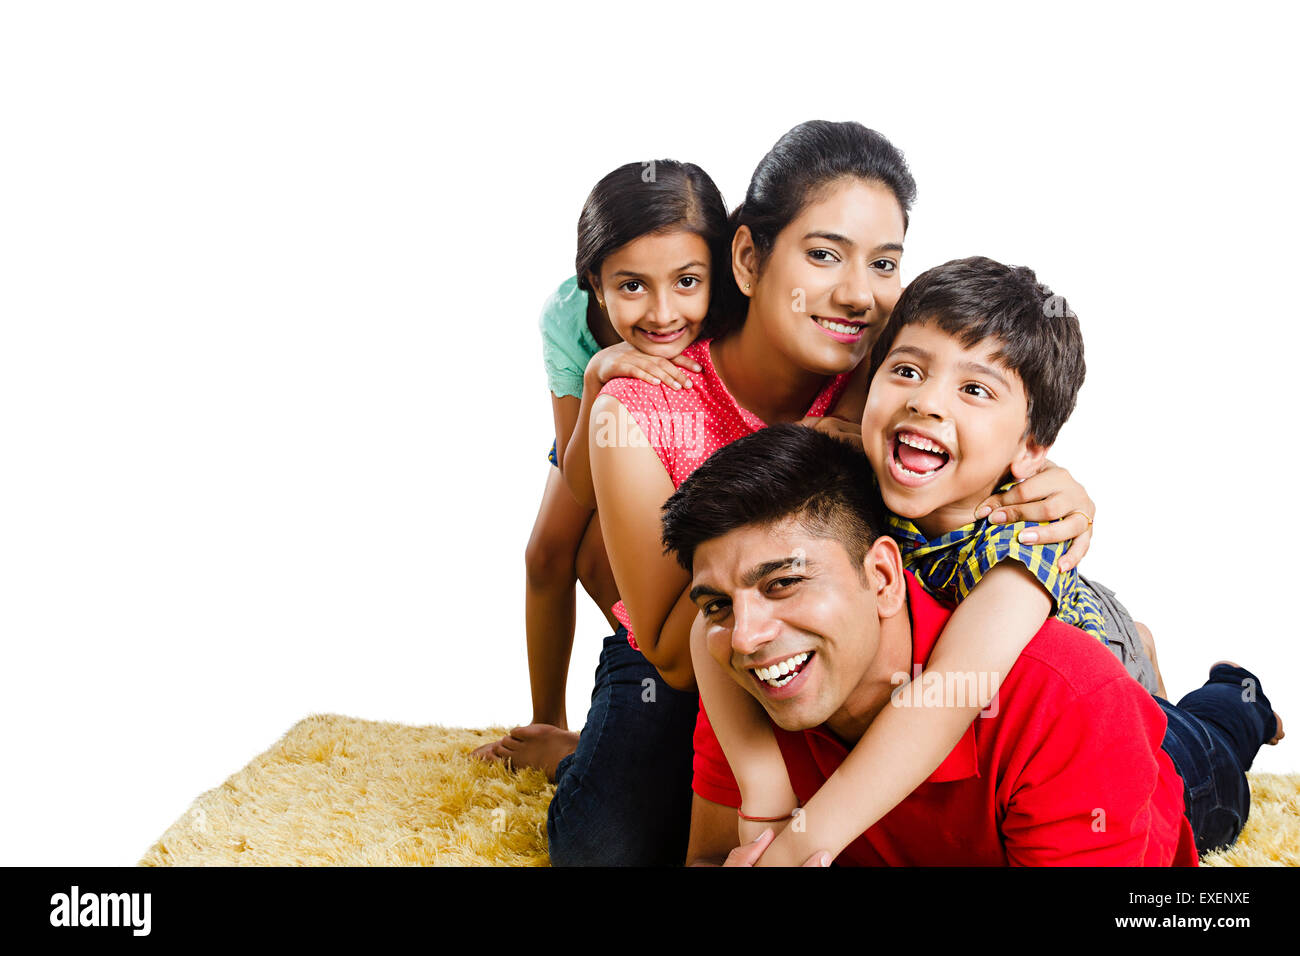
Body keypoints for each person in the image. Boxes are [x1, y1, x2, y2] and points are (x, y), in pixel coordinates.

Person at [548, 120, 1098, 865]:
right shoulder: (643, 409)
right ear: (747, 257)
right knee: (607, 849)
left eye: (883, 263)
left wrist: (1049, 489)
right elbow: (684, 655)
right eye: (823, 254)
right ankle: (569, 752)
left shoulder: (891, 371)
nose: (858, 293)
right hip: (684, 661)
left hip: (845, 657)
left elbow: (991, 438)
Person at [690, 255, 1167, 864]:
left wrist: (795, 848)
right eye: (908, 371)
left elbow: (943, 696)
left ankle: (1230, 697)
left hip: (1102, 680)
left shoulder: (1020, 542)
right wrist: (763, 790)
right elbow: (714, 612)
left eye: (973, 389)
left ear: (1031, 450)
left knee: (1202, 762)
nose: (926, 403)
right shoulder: (853, 479)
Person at [665, 424, 1283, 865]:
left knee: (1215, 739)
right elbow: (713, 856)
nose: (746, 635)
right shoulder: (751, 669)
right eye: (718, 603)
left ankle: (1232, 691)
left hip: (1169, 768)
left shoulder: (1062, 698)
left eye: (784, 583)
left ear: (882, 576)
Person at [472, 160, 732, 775]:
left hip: (694, 450)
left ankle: (669, 686)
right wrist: (597, 377)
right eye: (632, 286)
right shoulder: (567, 318)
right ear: (593, 279)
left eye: (688, 282)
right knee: (548, 552)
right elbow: (579, 478)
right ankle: (549, 724)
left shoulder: (729, 317)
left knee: (602, 556)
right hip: (594, 437)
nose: (663, 313)